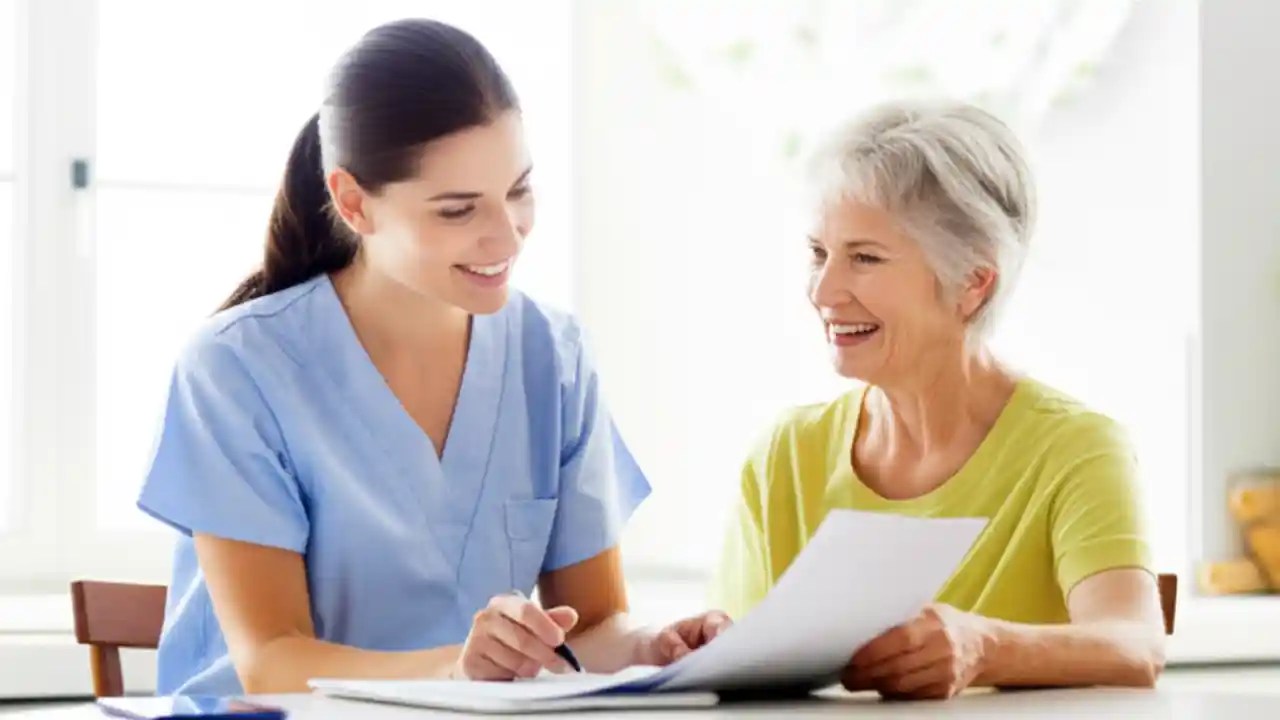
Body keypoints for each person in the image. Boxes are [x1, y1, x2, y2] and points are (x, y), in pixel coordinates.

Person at [138, 19, 728, 696]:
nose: (506, 235)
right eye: (457, 210)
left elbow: (588, 629)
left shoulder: (552, 358)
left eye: (519, 192)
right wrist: (457, 668)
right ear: (355, 203)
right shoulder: (235, 371)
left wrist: (655, 646)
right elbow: (271, 660)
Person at [712, 100, 1166, 700]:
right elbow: (745, 673)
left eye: (865, 258)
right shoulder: (786, 456)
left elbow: (1134, 644)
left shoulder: (1076, 449)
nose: (824, 291)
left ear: (972, 283)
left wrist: (985, 646)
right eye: (819, 253)